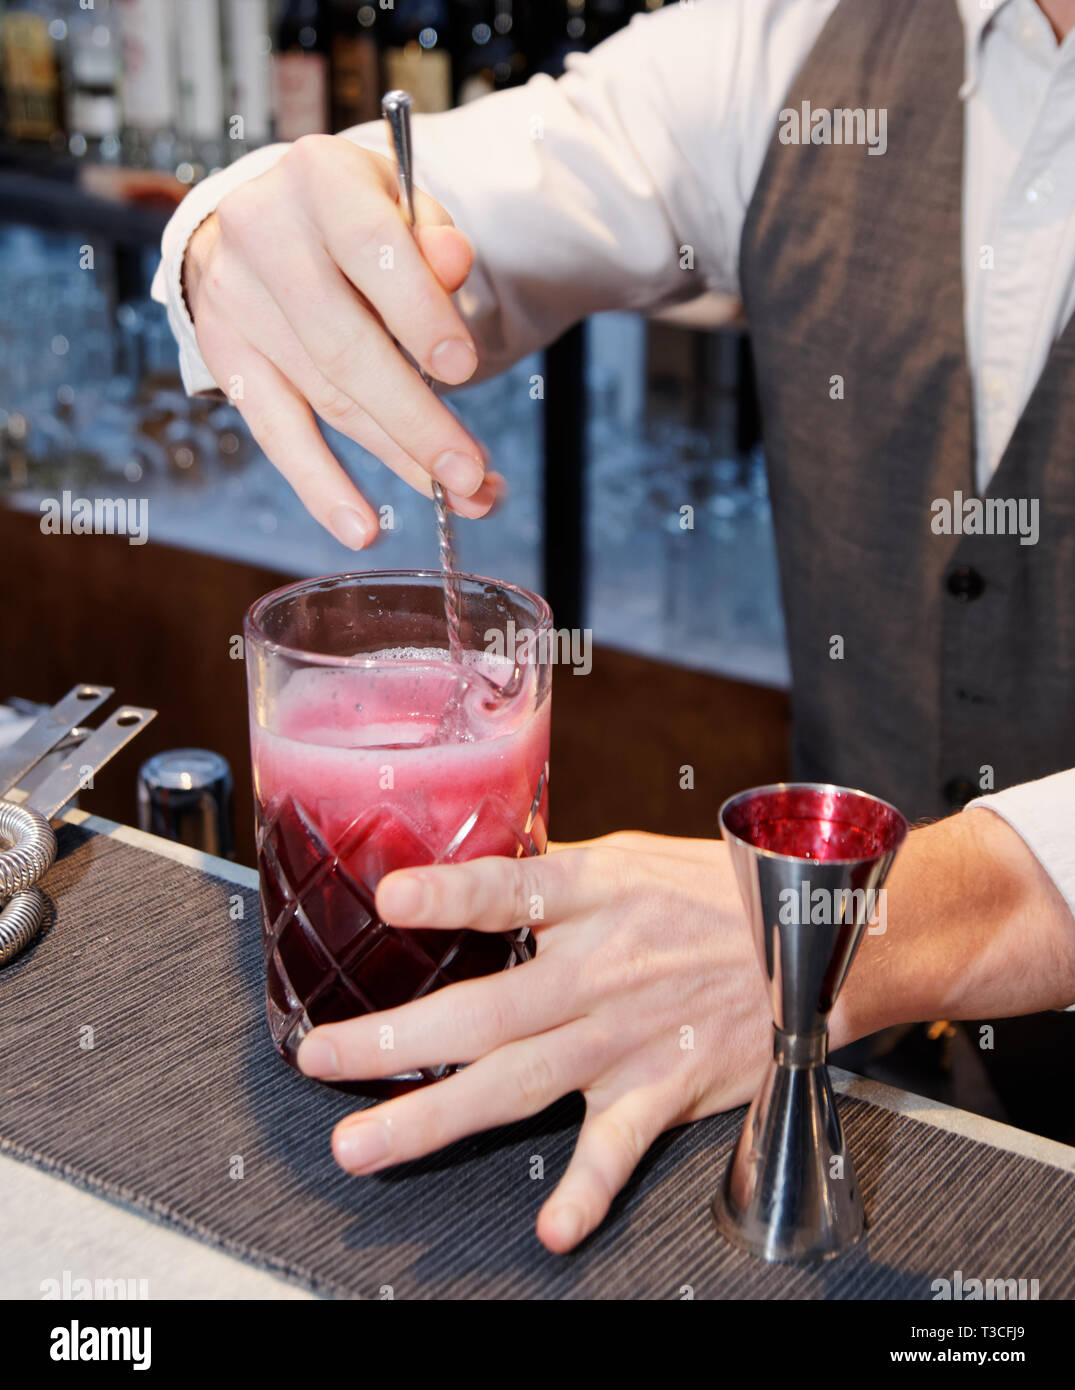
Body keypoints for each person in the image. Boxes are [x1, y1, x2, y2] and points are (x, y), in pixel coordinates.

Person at [153, 0, 1075, 1252]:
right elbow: (475, 203)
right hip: (839, 1102)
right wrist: (250, 225)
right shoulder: (793, 41)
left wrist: (902, 923)